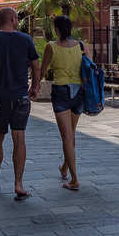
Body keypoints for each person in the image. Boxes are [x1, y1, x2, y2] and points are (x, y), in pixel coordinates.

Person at [0, 7, 41, 201]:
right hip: (21, 98)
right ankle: (18, 184)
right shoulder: (26, 40)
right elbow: (35, 64)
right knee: (19, 138)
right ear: (14, 19)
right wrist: (35, 86)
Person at [41, 15, 85, 191]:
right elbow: (88, 67)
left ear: (57, 30)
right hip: (79, 92)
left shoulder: (51, 46)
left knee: (66, 137)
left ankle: (74, 179)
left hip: (61, 92)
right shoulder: (81, 46)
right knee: (71, 134)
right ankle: (65, 168)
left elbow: (43, 69)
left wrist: (34, 86)